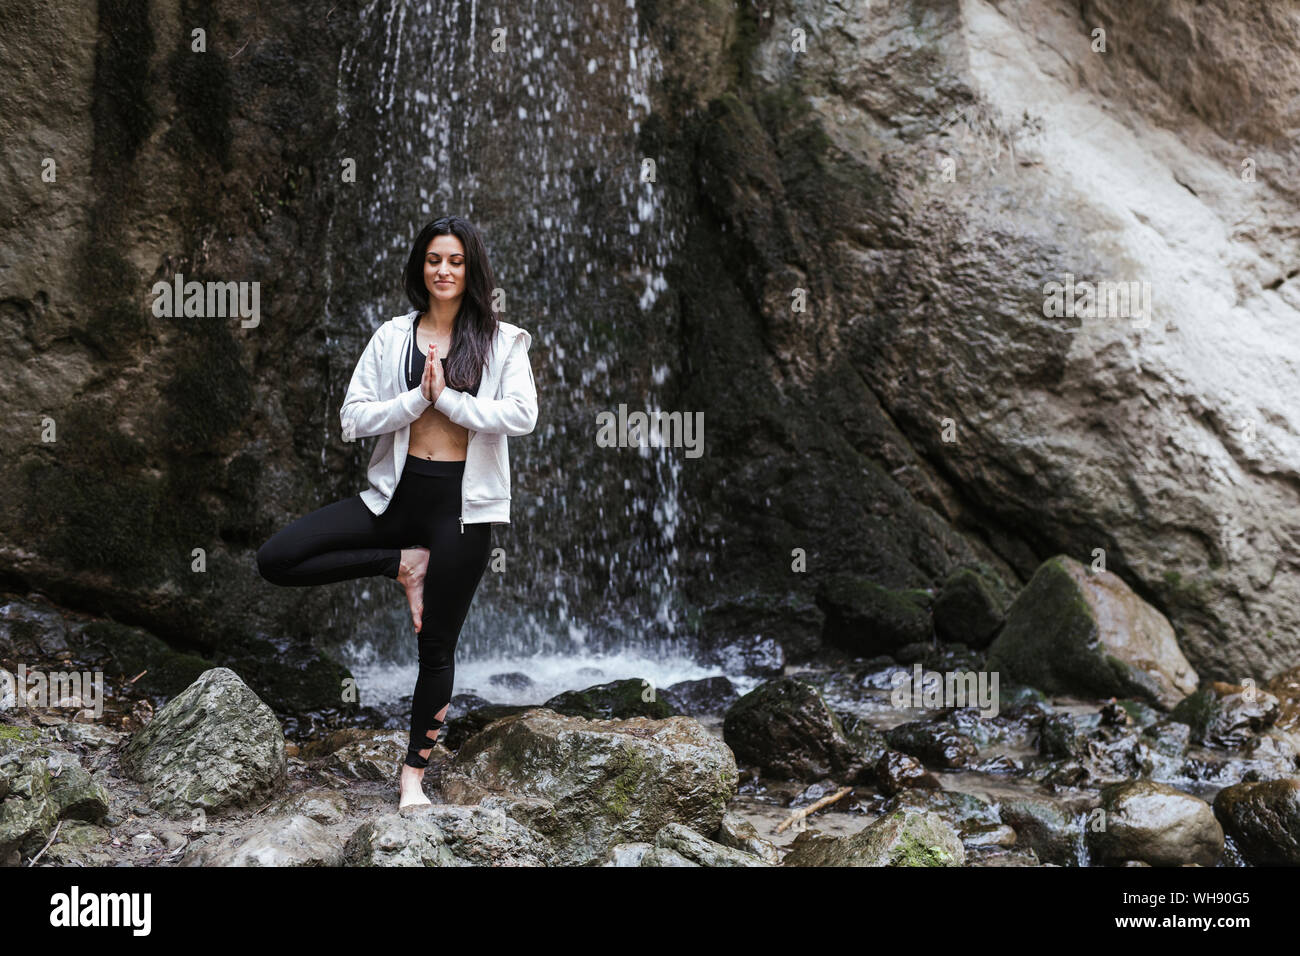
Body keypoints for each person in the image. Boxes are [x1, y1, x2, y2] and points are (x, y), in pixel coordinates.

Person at [256, 216, 539, 809]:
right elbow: (352, 418)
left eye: (456, 261)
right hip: (393, 499)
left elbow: (521, 416)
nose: (444, 270)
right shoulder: (391, 337)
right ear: (421, 266)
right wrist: (416, 399)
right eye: (435, 259)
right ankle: (402, 564)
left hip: (462, 511)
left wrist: (451, 402)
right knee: (277, 558)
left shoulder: (503, 340)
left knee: (436, 648)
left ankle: (413, 775)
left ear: (472, 269)